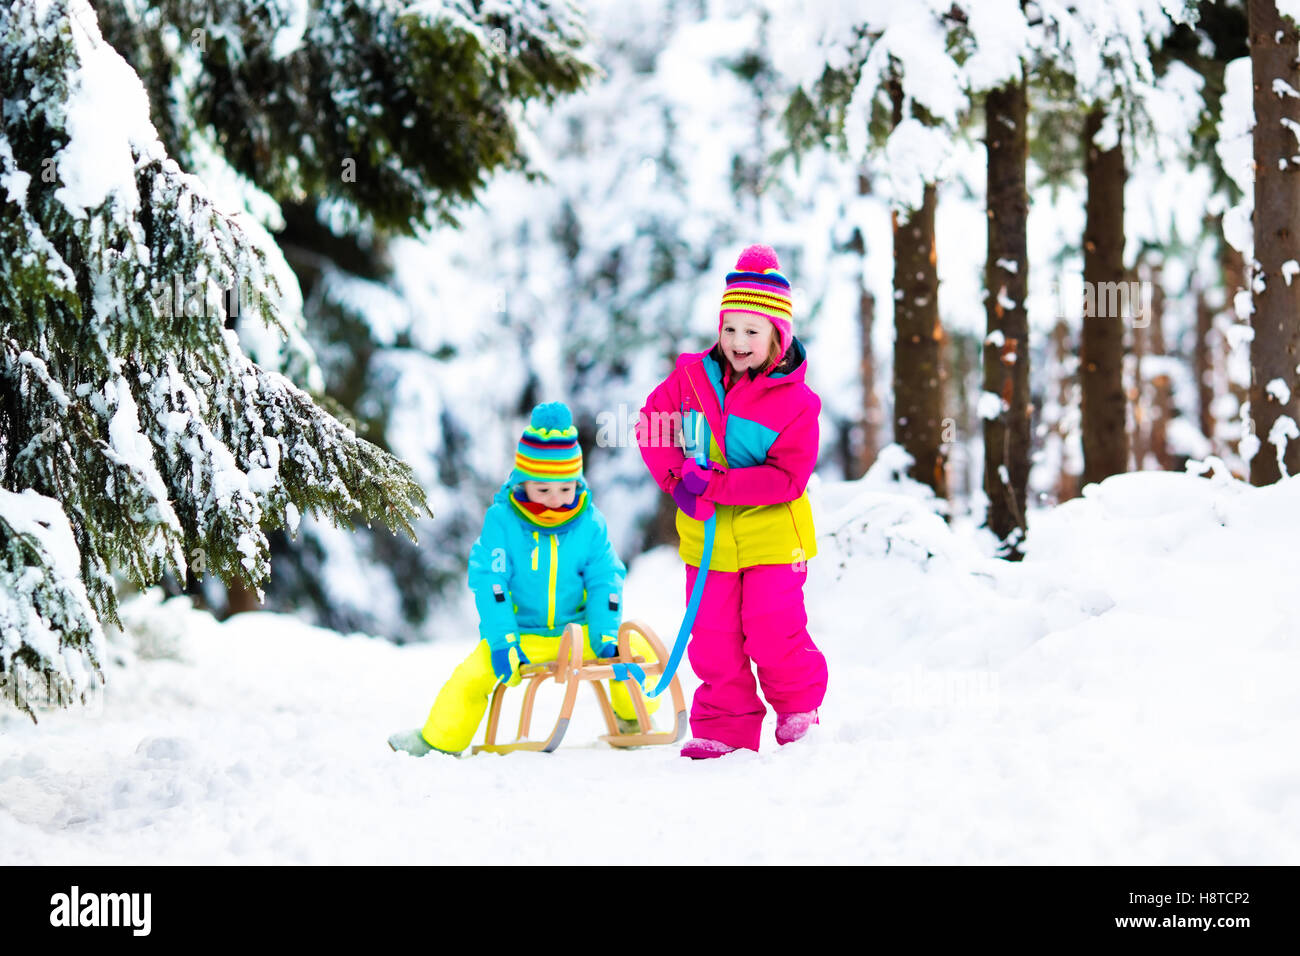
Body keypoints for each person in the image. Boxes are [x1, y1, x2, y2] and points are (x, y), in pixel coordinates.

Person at [635, 244, 827, 759]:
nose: (738, 342)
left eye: (752, 332)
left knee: (771, 628)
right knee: (714, 639)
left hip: (773, 538)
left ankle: (798, 707)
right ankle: (724, 728)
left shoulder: (796, 404)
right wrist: (677, 481)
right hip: (709, 539)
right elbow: (651, 425)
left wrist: (716, 486)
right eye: (730, 329)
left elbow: (787, 478)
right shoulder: (692, 380)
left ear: (777, 336)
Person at [411, 401, 659, 755]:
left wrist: (604, 633)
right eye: (543, 491)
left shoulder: (589, 523)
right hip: (525, 636)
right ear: (523, 482)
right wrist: (502, 640)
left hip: (581, 633)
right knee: (471, 674)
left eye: (565, 489)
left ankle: (635, 719)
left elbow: (606, 578)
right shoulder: (503, 521)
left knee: (630, 651)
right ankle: (437, 741)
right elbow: (490, 581)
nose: (555, 501)